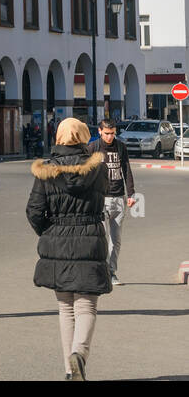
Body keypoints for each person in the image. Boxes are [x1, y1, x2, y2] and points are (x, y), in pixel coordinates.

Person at [27, 118, 111, 381]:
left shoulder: (45, 170)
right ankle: (80, 355)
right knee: (86, 305)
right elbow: (105, 195)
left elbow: (34, 211)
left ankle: (68, 369)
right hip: (90, 236)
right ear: (85, 136)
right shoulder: (98, 168)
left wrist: (50, 233)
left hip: (57, 239)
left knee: (65, 307)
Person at [86, 118, 136, 286]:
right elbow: (84, 171)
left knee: (116, 240)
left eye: (113, 133)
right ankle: (100, 271)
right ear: (100, 132)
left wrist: (131, 194)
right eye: (107, 133)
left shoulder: (121, 147)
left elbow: (126, 170)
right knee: (101, 238)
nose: (110, 137)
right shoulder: (93, 148)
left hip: (119, 198)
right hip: (99, 199)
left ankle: (111, 272)